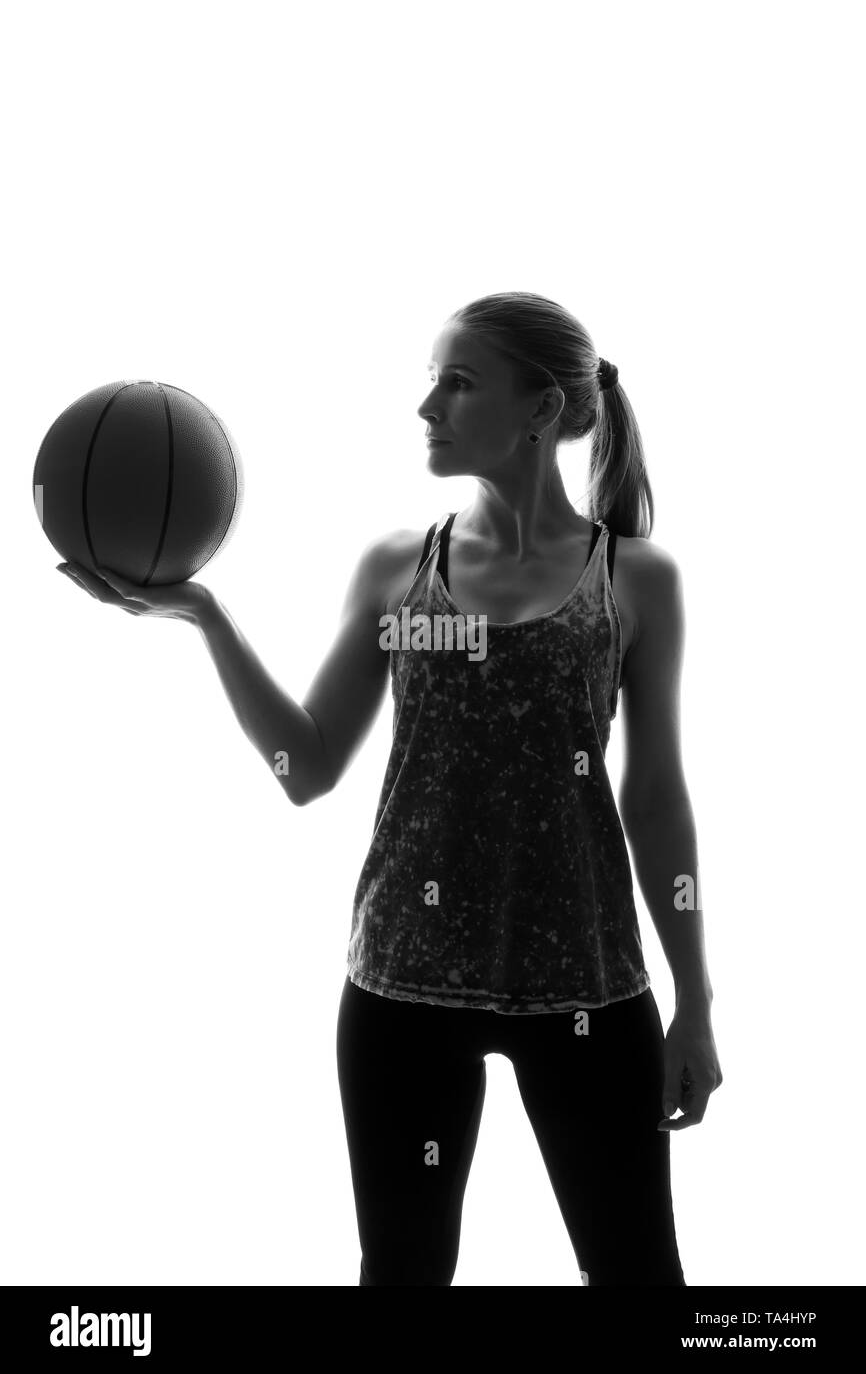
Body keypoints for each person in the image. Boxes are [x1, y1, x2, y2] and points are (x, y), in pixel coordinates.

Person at [58, 290, 722, 1287]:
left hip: (586, 990)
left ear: (540, 411)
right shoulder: (392, 572)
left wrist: (694, 1003)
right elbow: (304, 770)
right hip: (399, 993)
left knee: (637, 1275)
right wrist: (205, 618)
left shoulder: (634, 579)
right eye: (430, 381)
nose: (427, 406)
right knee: (401, 1275)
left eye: (457, 382)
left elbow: (657, 799)